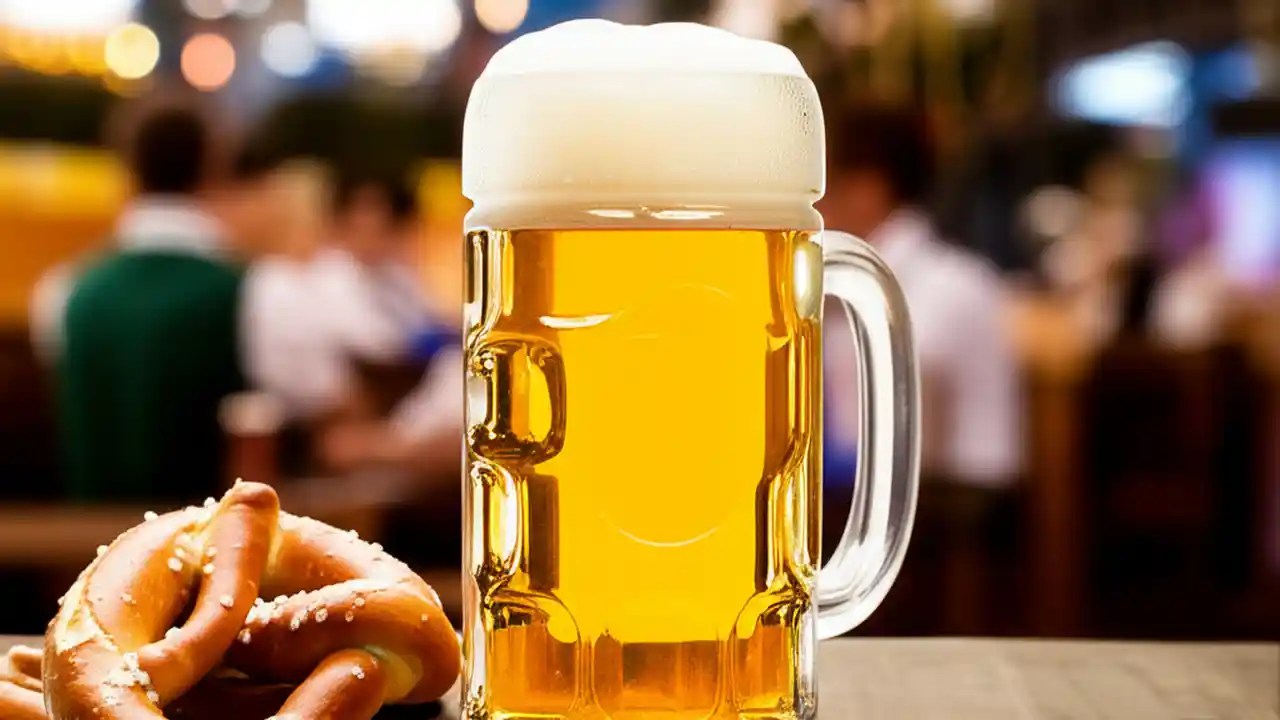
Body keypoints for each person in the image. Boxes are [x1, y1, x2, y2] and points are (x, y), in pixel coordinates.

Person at [820, 104, 1024, 633]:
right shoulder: (927, 273)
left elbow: (905, 424)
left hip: (958, 490)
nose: (816, 205)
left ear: (867, 188)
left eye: (822, 187)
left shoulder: (942, 283)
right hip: (921, 483)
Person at [31, 101, 281, 502]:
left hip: (94, 551)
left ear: (128, 168)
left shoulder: (64, 290)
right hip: (211, 552)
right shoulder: (258, 292)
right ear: (213, 166)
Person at [241, 173, 461, 477]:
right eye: (359, 224)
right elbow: (369, 358)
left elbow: (427, 333)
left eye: (381, 226)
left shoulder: (397, 277)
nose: (370, 236)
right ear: (337, 226)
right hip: (342, 420)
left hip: (397, 415)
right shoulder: (304, 281)